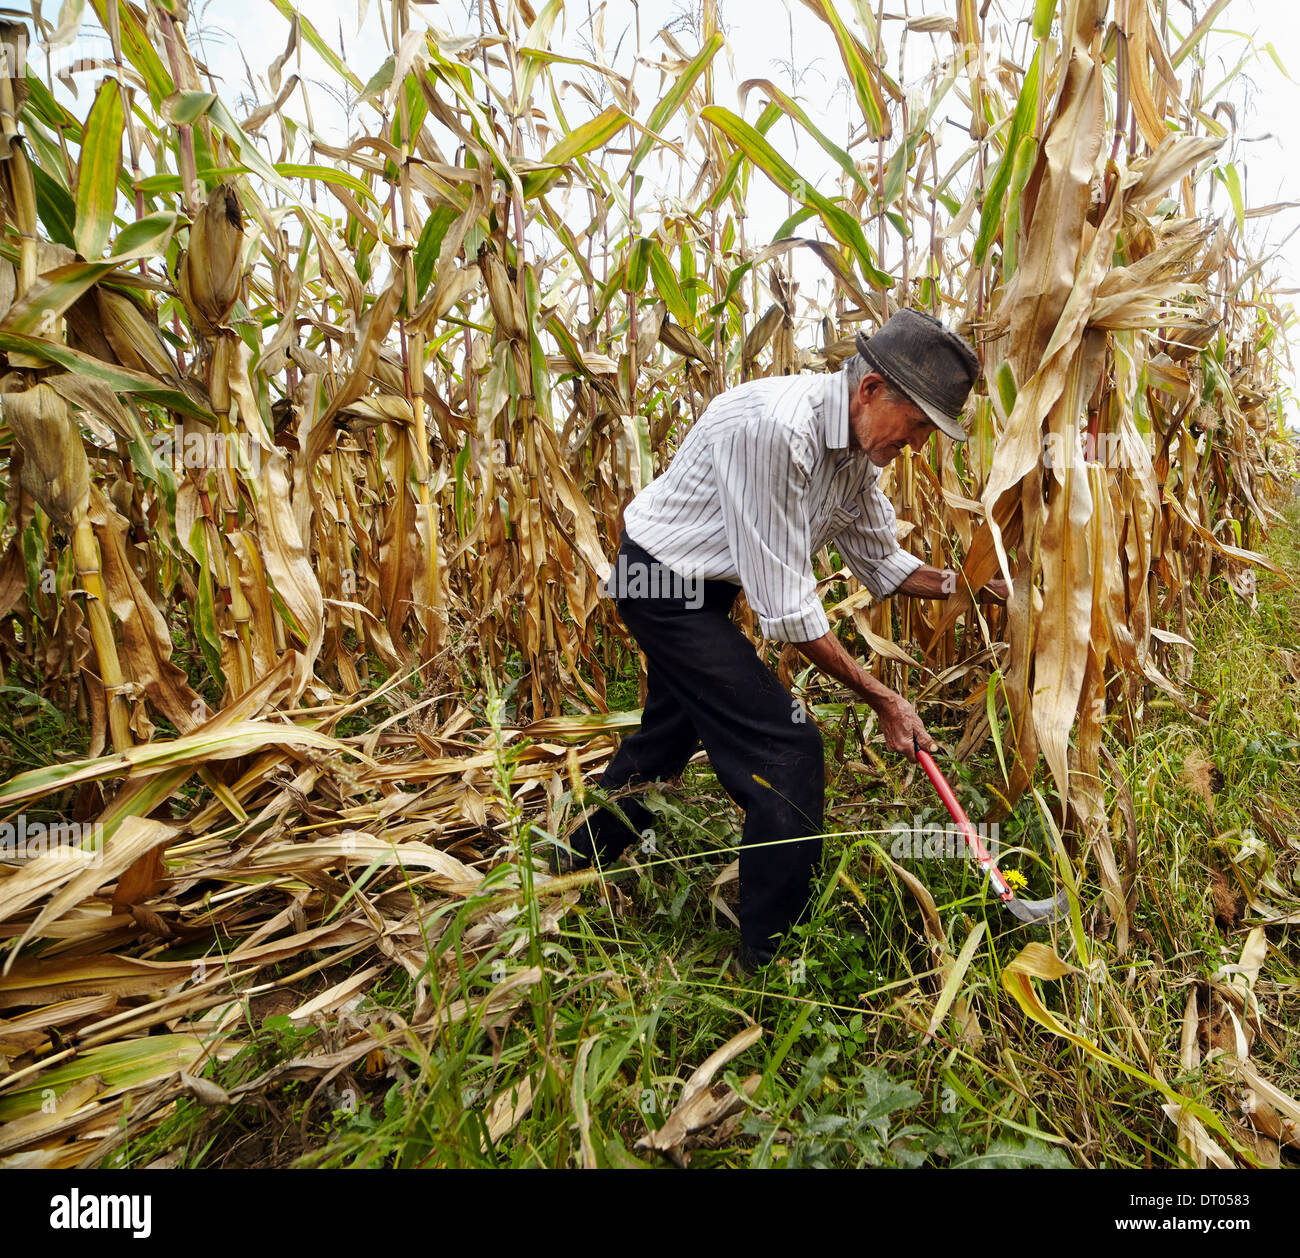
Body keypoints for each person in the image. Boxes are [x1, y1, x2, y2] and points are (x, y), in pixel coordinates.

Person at [558, 308, 1007, 970]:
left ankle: (571, 861)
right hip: (659, 585)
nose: (915, 444)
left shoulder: (856, 454)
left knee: (668, 737)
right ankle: (768, 959)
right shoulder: (775, 430)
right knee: (786, 746)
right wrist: (883, 696)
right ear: (871, 389)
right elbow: (788, 613)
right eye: (916, 425)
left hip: (706, 589)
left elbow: (883, 565)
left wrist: (973, 584)